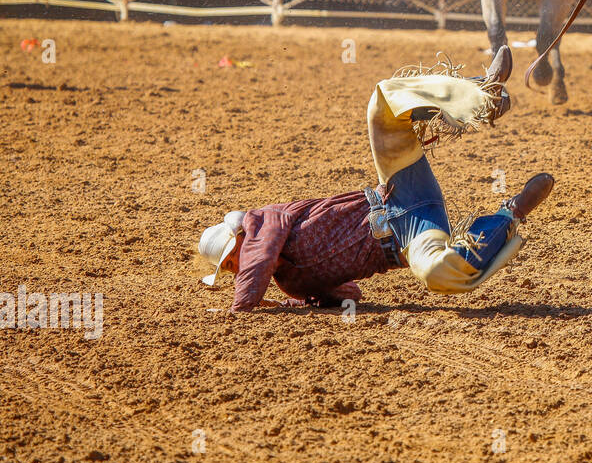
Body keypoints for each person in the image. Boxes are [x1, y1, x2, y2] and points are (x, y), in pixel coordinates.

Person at [195, 52, 553, 313]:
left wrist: (242, 306)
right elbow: (350, 293)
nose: (236, 267)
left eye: (230, 259)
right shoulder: (291, 281)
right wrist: (299, 300)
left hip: (398, 188)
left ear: (240, 235)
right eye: (229, 269)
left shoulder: (263, 221)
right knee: (437, 274)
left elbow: (258, 261)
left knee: (382, 99)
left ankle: (481, 93)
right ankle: (511, 214)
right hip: (409, 237)